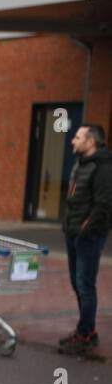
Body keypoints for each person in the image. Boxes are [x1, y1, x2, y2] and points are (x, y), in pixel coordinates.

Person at [60, 123, 112, 356]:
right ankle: (86, 329)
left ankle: (85, 334)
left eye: (78, 137)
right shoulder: (81, 163)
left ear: (90, 142)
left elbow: (103, 204)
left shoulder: (103, 167)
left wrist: (84, 228)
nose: (73, 140)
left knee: (85, 285)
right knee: (77, 283)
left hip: (88, 236)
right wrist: (70, 227)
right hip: (73, 233)